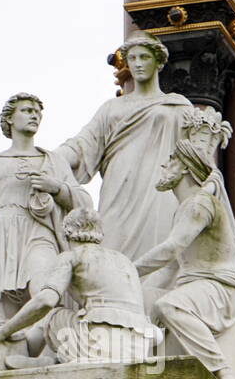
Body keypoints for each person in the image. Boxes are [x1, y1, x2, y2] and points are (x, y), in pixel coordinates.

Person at [49, 35, 191, 275]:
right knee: (112, 246)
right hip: (119, 188)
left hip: (160, 190)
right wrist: (51, 159)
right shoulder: (112, 108)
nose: (137, 64)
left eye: (144, 57)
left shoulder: (178, 106)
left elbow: (196, 155)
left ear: (159, 62)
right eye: (132, 58)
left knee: (160, 247)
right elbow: (84, 144)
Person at [0, 208, 156, 368]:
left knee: (52, 315)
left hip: (100, 346)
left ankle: (29, 354)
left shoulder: (71, 256)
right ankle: (54, 360)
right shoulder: (124, 261)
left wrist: (4, 331)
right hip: (139, 346)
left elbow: (45, 301)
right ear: (100, 233)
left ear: (66, 232)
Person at [135, 141, 235, 379]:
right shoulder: (188, 207)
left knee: (168, 306)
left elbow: (171, 248)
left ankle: (221, 368)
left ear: (185, 167)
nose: (164, 164)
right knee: (142, 302)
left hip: (217, 292)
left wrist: (128, 270)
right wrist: (134, 288)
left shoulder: (200, 203)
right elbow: (171, 267)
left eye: (171, 159)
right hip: (197, 289)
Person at [0, 94, 84, 325]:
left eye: (37, 112)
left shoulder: (53, 161)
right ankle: (11, 351)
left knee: (45, 293)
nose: (34, 115)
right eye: (27, 110)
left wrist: (57, 188)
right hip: (1, 236)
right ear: (10, 119)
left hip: (40, 232)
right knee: (6, 311)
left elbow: (84, 204)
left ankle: (47, 347)